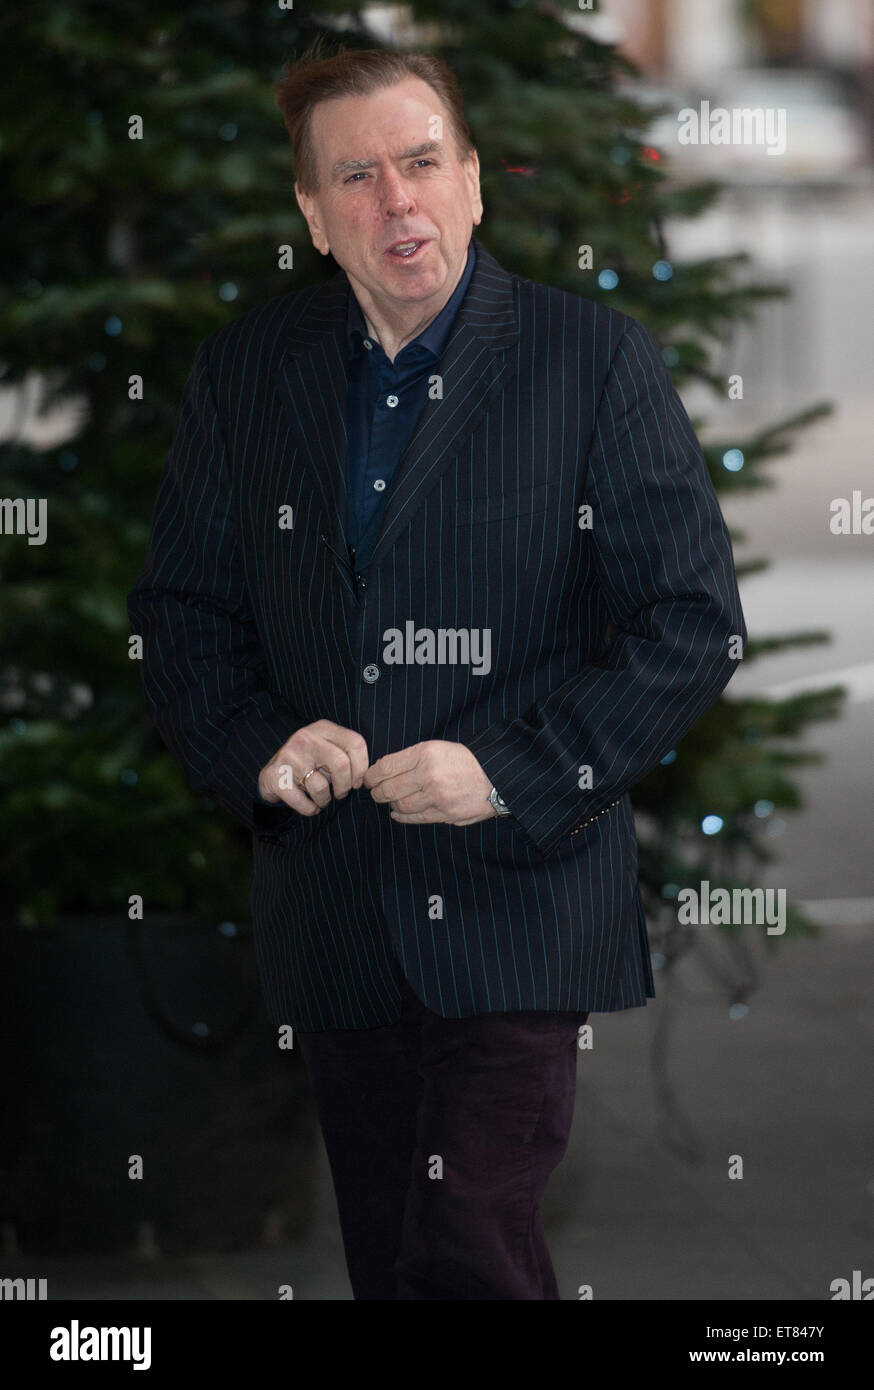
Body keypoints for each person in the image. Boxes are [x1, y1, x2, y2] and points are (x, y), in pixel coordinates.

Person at [127, 42, 747, 1300]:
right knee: (392, 1256)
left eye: (421, 163)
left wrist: (506, 771)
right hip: (339, 907)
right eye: (355, 176)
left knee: (463, 1237)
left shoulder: (592, 362)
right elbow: (182, 613)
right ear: (311, 214)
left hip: (516, 898)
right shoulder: (248, 373)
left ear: (473, 181)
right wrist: (262, 744)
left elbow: (689, 621)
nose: (395, 201)